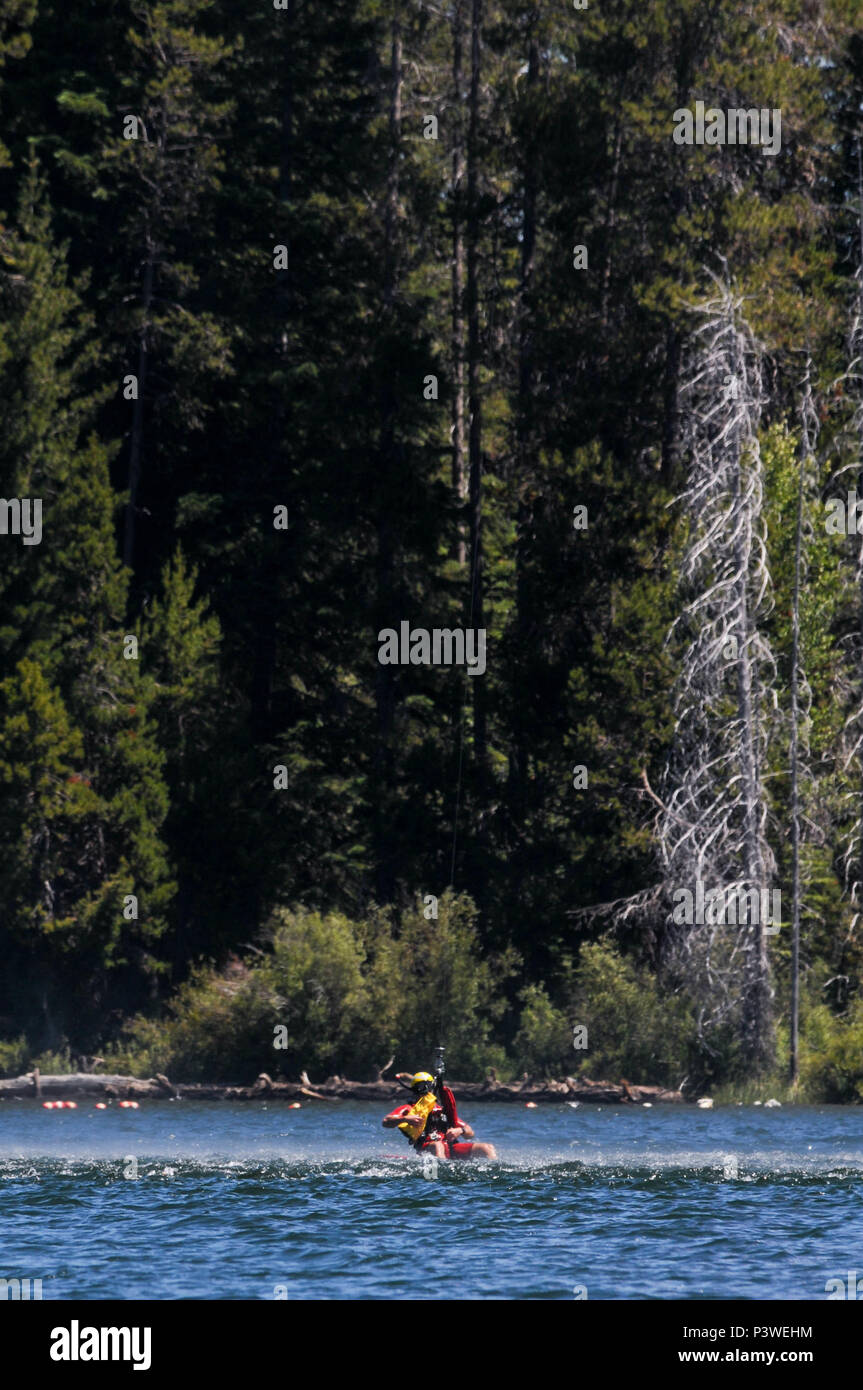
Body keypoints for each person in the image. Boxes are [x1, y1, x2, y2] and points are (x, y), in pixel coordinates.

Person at [382, 1070, 497, 1160]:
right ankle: (443, 1175)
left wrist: (460, 1131)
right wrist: (405, 1119)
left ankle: (497, 1176)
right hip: (427, 1148)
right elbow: (386, 1122)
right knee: (438, 1146)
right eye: (421, 1087)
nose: (425, 1091)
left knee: (486, 1148)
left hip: (451, 1148)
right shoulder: (409, 1110)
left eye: (428, 1087)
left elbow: (470, 1133)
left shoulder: (443, 1111)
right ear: (414, 1090)